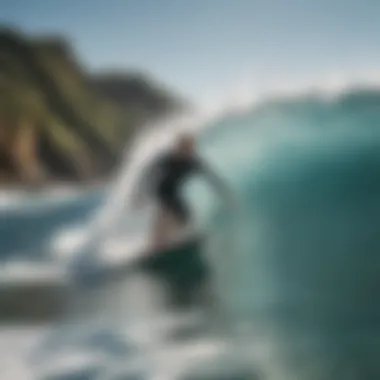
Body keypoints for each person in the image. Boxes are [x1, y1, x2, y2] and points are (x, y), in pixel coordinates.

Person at [133, 132, 235, 250]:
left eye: (190, 147)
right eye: (184, 146)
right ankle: (156, 243)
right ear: (179, 146)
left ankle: (162, 242)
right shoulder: (169, 158)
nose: (187, 150)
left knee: (183, 219)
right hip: (162, 191)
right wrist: (139, 195)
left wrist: (225, 193)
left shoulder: (193, 162)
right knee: (168, 216)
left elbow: (212, 178)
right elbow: (150, 174)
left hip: (173, 193)